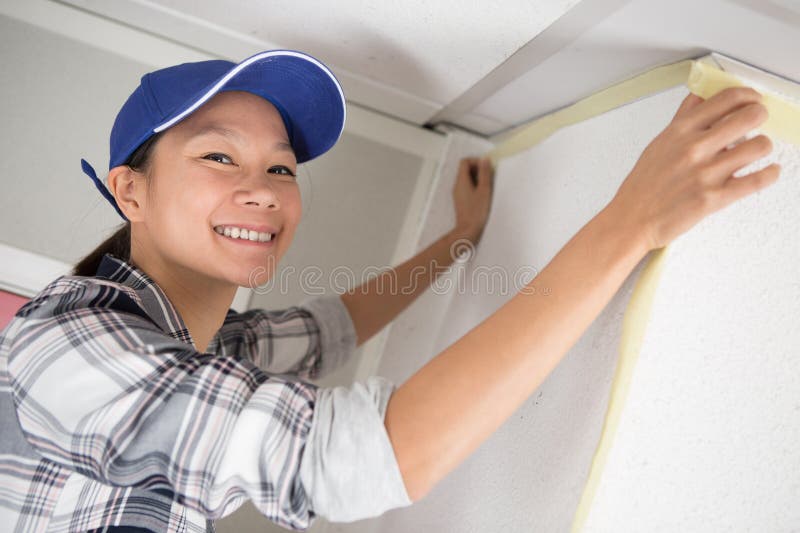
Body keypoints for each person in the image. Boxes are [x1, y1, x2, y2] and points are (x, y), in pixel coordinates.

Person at [0, 46, 777, 532]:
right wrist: (630, 222)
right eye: (218, 158)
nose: (265, 190)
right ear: (129, 192)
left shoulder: (204, 344)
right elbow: (363, 455)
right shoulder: (67, 344)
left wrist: (459, 241)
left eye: (281, 167)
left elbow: (333, 326)